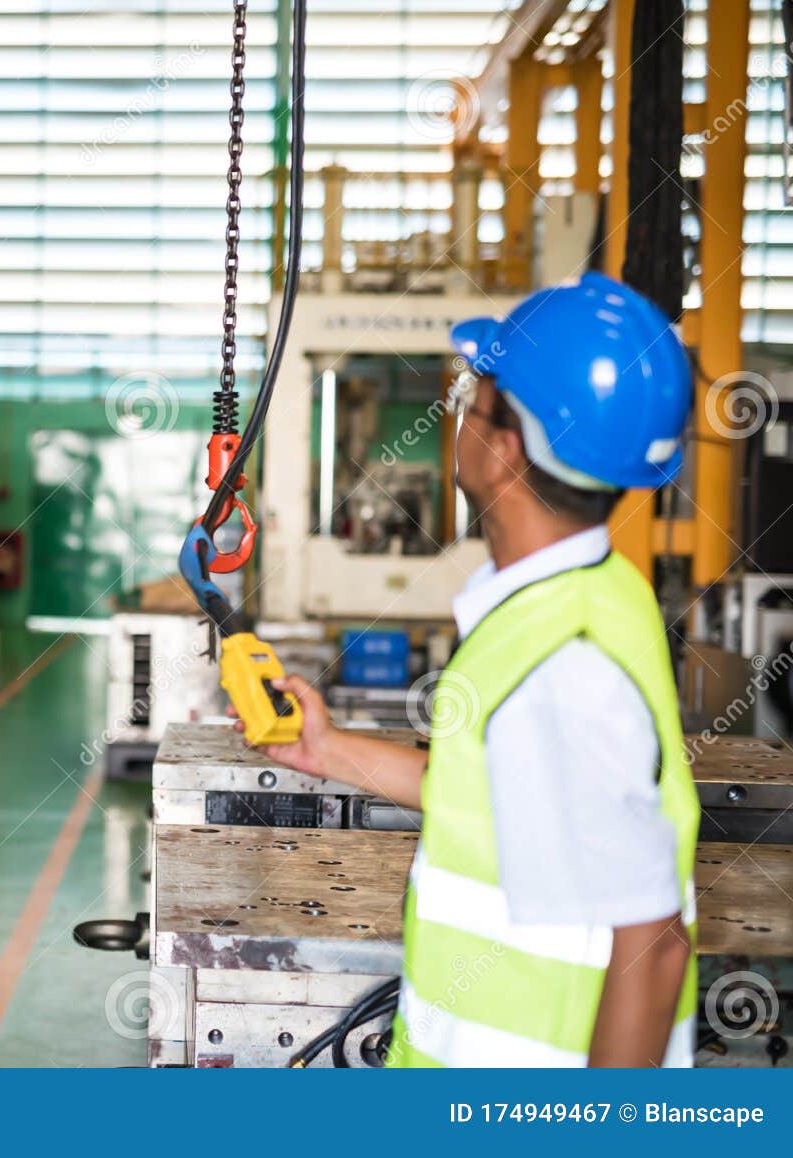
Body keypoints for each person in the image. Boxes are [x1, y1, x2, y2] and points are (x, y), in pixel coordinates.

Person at [245, 272, 700, 1067]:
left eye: (471, 395)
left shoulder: (567, 664)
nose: (458, 412)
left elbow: (653, 951)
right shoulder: (585, 592)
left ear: (505, 447)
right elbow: (488, 793)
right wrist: (328, 749)